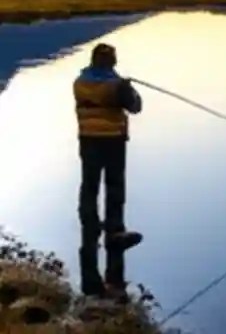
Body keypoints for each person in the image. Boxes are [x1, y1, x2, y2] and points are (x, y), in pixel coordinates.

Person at [74, 43, 144, 298]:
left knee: (89, 183)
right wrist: (127, 87)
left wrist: (121, 84)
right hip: (112, 139)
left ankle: (89, 221)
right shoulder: (117, 86)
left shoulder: (79, 82)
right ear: (111, 62)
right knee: (114, 185)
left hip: (87, 137)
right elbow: (135, 106)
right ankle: (114, 229)